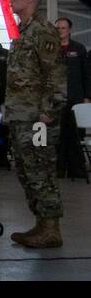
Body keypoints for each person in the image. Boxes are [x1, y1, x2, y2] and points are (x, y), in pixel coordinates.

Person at [4, 0, 65, 248]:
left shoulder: (43, 31)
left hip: (39, 119)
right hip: (20, 115)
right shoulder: (22, 31)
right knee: (26, 170)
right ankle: (41, 223)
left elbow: (55, 74)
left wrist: (48, 112)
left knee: (41, 170)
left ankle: (51, 228)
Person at [55, 17, 89, 180]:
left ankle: (77, 170)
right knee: (58, 136)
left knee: (76, 135)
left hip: (76, 98)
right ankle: (58, 170)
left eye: (63, 28)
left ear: (69, 30)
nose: (60, 30)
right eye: (58, 28)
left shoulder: (79, 48)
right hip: (55, 100)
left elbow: (86, 74)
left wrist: (87, 96)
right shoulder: (50, 49)